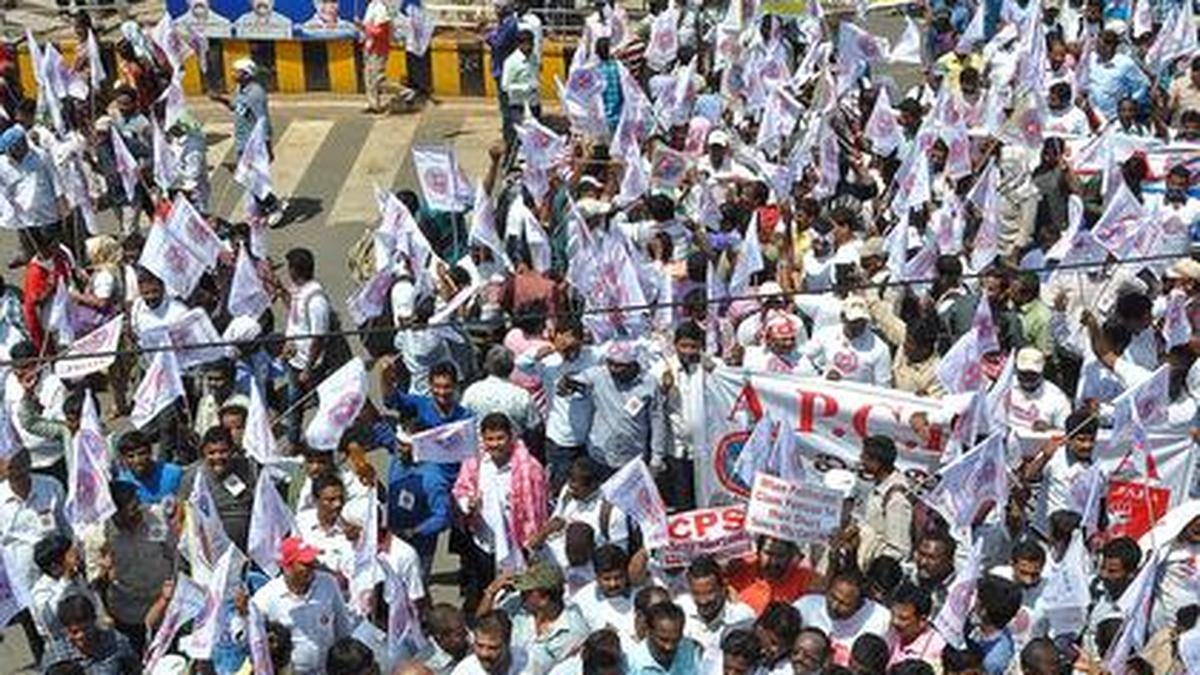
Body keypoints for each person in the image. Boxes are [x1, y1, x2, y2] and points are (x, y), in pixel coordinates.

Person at [452, 413, 548, 614]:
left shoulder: (530, 468)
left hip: (518, 545)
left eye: (499, 438)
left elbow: (538, 510)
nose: (495, 444)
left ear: (511, 437)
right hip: (484, 542)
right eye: (489, 439)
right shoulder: (475, 462)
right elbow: (461, 490)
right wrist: (468, 504)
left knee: (516, 592)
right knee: (484, 589)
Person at [561, 340, 667, 474]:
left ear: (632, 364)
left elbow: (657, 421)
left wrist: (657, 458)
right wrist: (567, 384)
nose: (612, 369)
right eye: (610, 363)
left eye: (619, 366)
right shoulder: (599, 375)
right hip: (599, 457)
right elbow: (574, 381)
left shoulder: (649, 384)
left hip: (632, 460)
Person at [253, 537, 353, 673]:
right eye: (306, 564)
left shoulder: (328, 583)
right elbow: (253, 640)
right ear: (287, 567)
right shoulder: (265, 598)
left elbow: (343, 626)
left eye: (313, 562)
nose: (313, 567)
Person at [208, 57, 287, 224]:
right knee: (249, 179)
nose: (233, 74)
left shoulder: (256, 93)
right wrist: (221, 100)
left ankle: (273, 207)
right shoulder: (240, 89)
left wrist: (268, 147)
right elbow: (238, 108)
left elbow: (262, 121)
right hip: (242, 141)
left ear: (247, 74)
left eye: (237, 72)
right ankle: (261, 208)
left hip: (254, 144)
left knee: (253, 179)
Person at [477, 561, 589, 674]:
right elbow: (482, 626)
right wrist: (491, 592)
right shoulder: (516, 604)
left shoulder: (574, 631)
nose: (521, 594)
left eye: (527, 592)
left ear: (544, 597)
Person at [281, 247, 332, 445]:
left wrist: (309, 368)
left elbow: (318, 338)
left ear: (295, 270)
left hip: (309, 367)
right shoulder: (299, 291)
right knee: (294, 405)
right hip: (294, 360)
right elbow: (295, 316)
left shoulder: (316, 300)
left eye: (289, 268)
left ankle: (326, 440)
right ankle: (293, 442)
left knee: (321, 404)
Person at [792, 571, 891, 665]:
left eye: (844, 603)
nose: (834, 606)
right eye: (832, 597)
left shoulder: (881, 620)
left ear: (859, 605)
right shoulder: (807, 605)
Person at [853, 435, 913, 569]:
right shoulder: (878, 487)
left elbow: (898, 550)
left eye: (864, 457)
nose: (861, 460)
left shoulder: (896, 499)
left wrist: (876, 573)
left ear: (877, 463)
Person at [676, 555, 756, 653]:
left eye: (709, 593)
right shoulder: (679, 609)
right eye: (696, 593)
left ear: (723, 588)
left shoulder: (743, 617)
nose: (703, 601)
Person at [42, 595, 140, 674]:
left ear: (94, 621)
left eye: (86, 629)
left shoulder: (116, 642)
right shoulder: (55, 656)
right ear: (65, 630)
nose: (81, 636)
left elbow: (135, 668)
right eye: (74, 632)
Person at [727, 536, 816, 614]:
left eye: (780, 555)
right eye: (768, 553)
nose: (773, 562)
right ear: (758, 552)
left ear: (791, 556)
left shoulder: (805, 578)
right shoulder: (741, 568)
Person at [626, 602, 700, 674]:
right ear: (648, 631)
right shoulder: (631, 663)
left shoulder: (692, 651)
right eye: (663, 639)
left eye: (676, 640)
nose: (669, 647)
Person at [885, 581, 945, 667]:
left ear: (922, 621)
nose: (895, 622)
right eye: (893, 614)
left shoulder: (937, 650)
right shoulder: (892, 633)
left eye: (903, 618)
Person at [450, 610, 527, 674]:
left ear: (507, 643)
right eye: (479, 646)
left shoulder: (525, 664)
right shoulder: (464, 671)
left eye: (492, 648)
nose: (484, 653)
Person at [359, 0, 394, 114]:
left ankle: (405, 92)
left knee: (378, 79)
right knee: (368, 78)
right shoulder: (370, 6)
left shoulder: (380, 8)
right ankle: (373, 105)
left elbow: (381, 32)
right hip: (369, 47)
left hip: (378, 48)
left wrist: (364, 27)